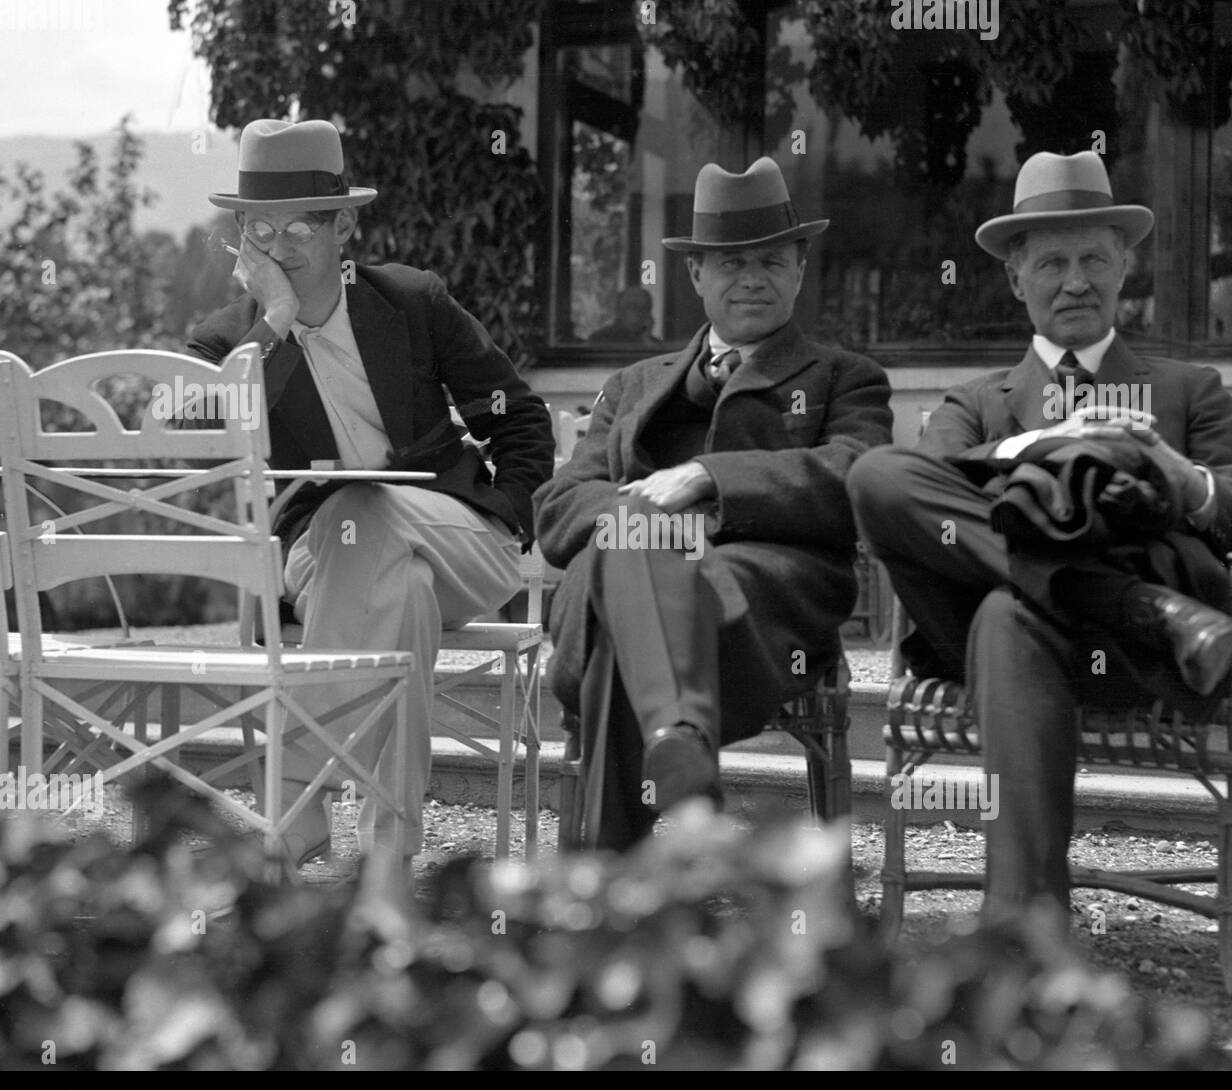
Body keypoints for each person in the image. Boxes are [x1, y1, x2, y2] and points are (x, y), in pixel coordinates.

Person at [847, 150, 1232, 934]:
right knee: (878, 478)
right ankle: (1122, 597)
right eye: (1052, 262)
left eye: (1093, 260)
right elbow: (912, 492)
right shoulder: (979, 403)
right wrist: (1040, 445)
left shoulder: (1188, 391)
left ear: (1125, 269)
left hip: (1139, 659)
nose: (1074, 281)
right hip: (1091, 628)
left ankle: (1025, 932)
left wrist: (1178, 474)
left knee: (1006, 618)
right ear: (1016, 279)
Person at [187, 119, 555, 867]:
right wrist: (277, 326)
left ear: (344, 226)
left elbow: (518, 420)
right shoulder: (229, 342)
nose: (277, 247)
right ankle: (390, 861)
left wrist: (512, 515)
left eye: (299, 228)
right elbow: (192, 433)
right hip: (321, 558)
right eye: (259, 228)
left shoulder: (411, 303)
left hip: (460, 541)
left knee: (380, 519)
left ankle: (295, 802)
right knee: (399, 583)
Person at [536, 156, 892, 851]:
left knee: (621, 640)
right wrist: (645, 521)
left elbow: (856, 478)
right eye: (730, 263)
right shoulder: (633, 384)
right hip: (617, 587)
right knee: (631, 542)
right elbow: (559, 506)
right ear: (696, 275)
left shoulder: (845, 378)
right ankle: (680, 739)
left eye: (769, 260)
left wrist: (705, 478)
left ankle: (607, 891)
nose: (751, 277)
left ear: (798, 268)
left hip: (756, 612)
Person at [587, 286, 662, 346]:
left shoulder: (654, 344)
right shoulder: (600, 339)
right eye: (634, 307)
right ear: (619, 311)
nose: (640, 312)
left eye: (645, 308)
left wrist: (646, 338)